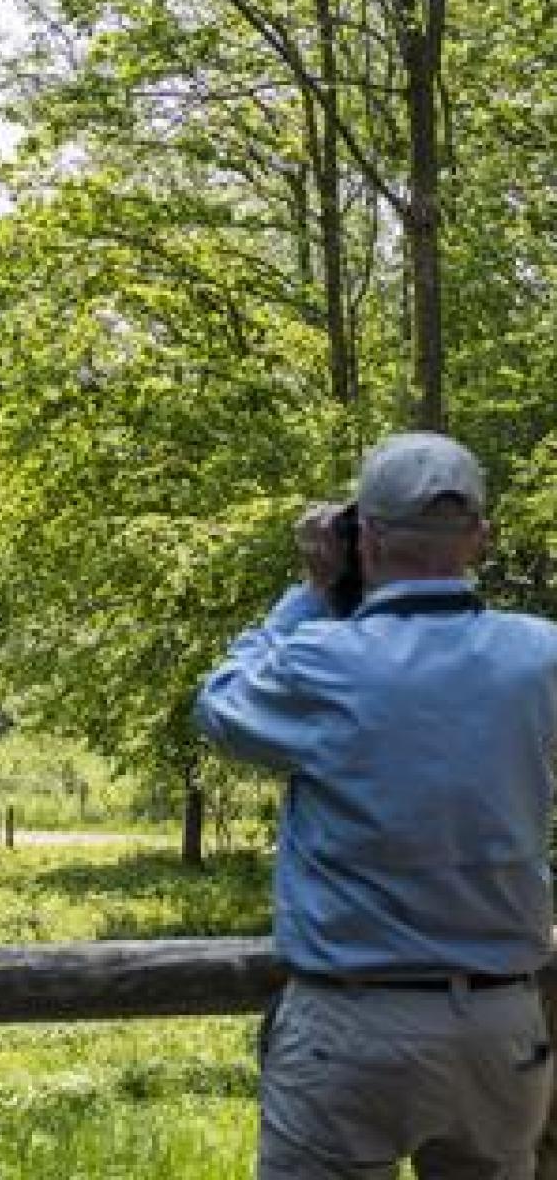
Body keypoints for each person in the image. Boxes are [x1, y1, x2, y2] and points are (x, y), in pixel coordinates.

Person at [194, 432, 557, 1179]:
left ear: (366, 537)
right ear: (481, 539)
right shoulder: (539, 655)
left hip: (353, 1025)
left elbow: (221, 704)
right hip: (503, 1027)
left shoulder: (323, 659)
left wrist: (310, 591)